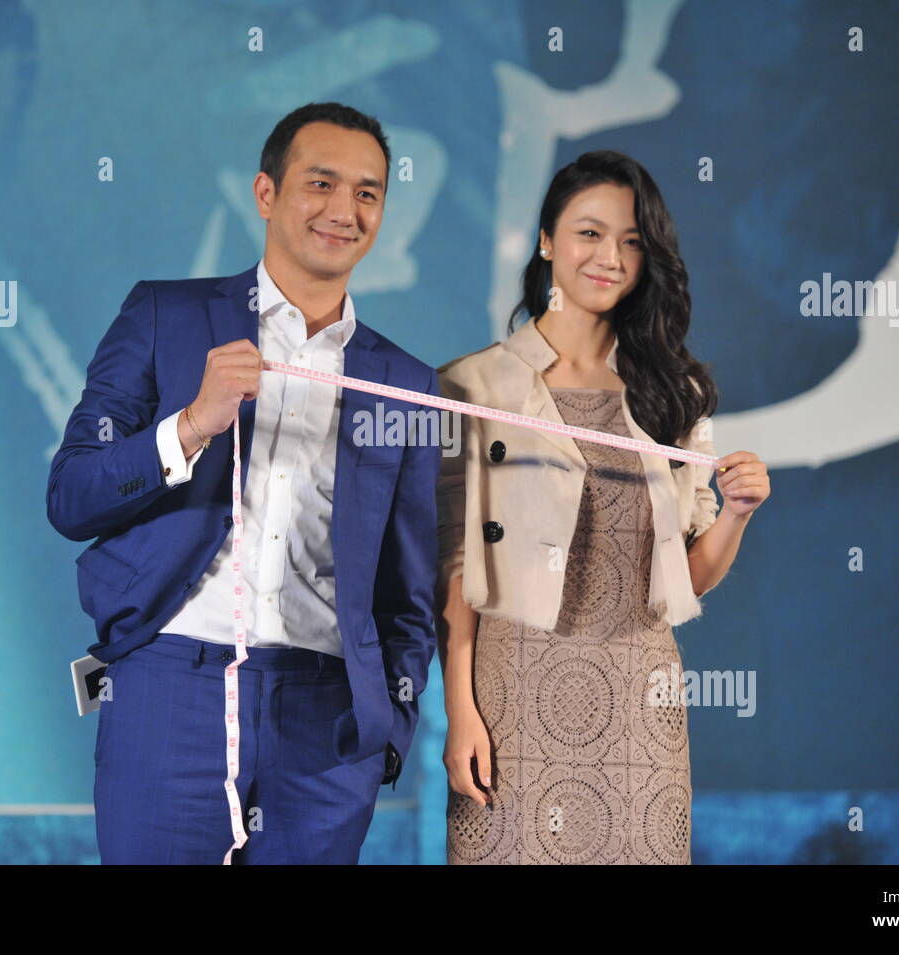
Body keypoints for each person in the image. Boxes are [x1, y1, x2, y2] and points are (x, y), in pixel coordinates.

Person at [47, 102, 440, 864]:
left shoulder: (405, 382)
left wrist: (388, 723)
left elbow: (409, 590)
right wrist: (192, 422)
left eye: (368, 193)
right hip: (169, 685)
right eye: (320, 183)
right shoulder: (166, 314)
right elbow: (71, 495)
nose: (344, 209)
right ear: (265, 193)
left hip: (327, 720)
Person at [435, 151, 771, 864]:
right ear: (547, 240)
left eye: (630, 241)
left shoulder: (674, 390)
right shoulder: (474, 384)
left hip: (639, 706)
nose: (610, 257)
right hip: (511, 698)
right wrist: (460, 709)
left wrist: (737, 511)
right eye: (589, 234)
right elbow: (458, 568)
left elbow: (693, 574)